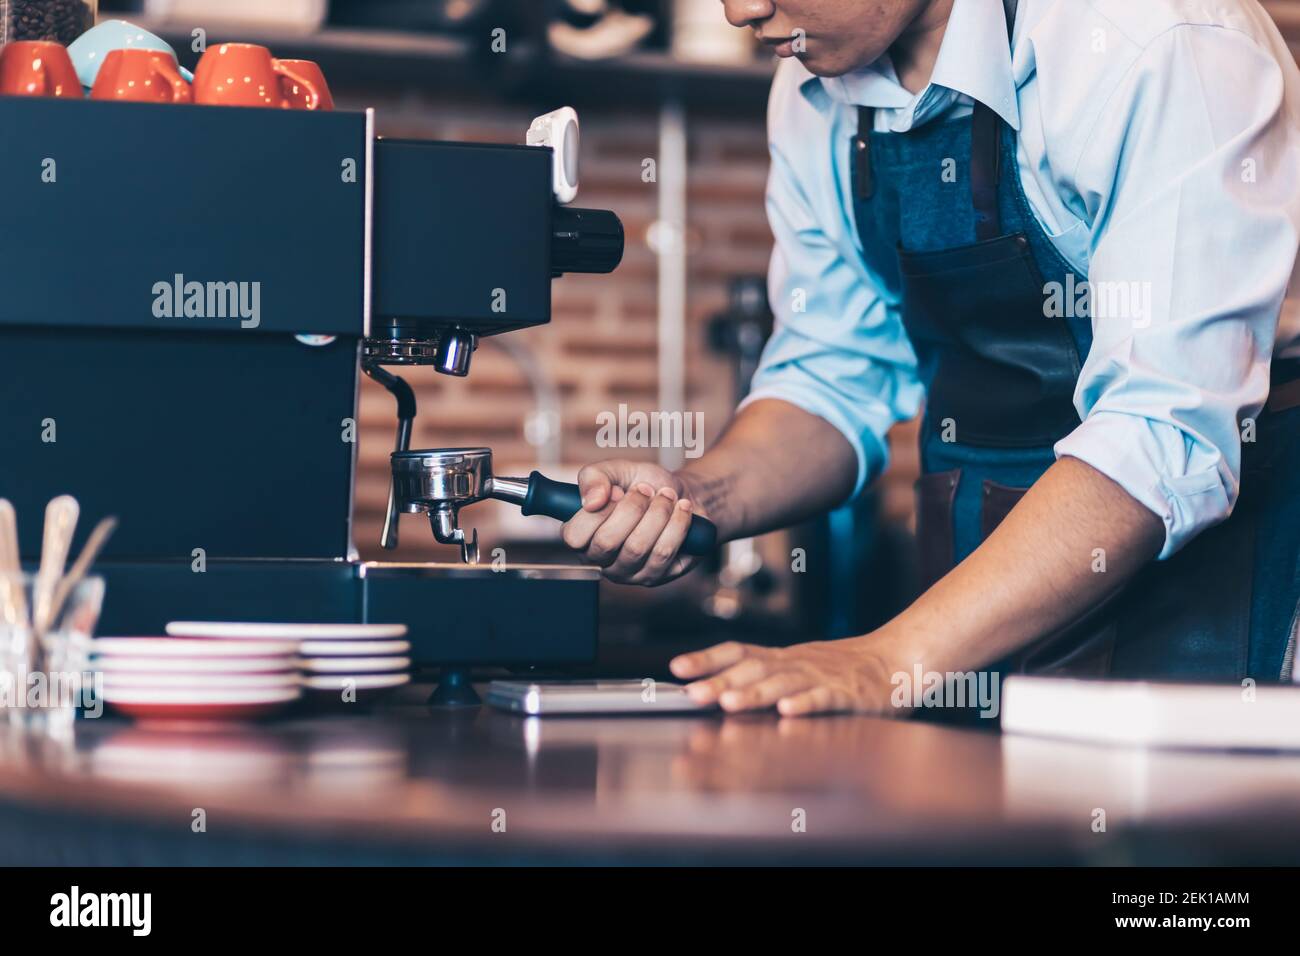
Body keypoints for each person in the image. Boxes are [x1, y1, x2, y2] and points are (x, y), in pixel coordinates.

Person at [562, 0, 1300, 715]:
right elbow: (833, 371)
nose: (739, 11)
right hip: (972, 607)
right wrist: (697, 499)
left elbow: (1161, 430)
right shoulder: (815, 88)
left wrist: (887, 660)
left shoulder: (1157, 39)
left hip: (1220, 578)